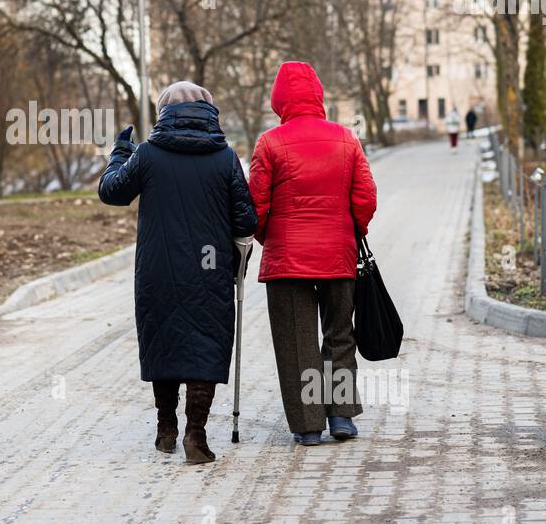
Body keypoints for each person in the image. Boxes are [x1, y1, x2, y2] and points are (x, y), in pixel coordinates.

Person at [98, 81, 257, 465]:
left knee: (164, 341)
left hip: (158, 270)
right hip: (209, 268)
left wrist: (120, 153)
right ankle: (195, 435)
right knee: (205, 343)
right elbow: (246, 219)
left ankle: (165, 430)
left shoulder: (149, 154)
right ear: (211, 112)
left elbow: (111, 192)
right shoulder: (224, 157)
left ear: (163, 113)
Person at [247, 62, 376, 447]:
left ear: (278, 101)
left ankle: (308, 425)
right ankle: (340, 415)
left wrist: (268, 237)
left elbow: (256, 205)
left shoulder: (269, 143)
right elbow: (366, 198)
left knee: (296, 339)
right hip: (338, 253)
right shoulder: (346, 139)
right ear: (319, 95)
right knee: (339, 333)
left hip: (287, 259)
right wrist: (353, 231)